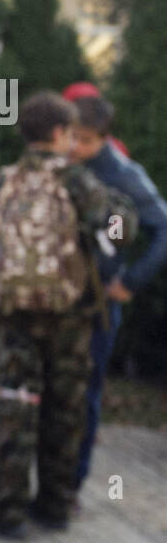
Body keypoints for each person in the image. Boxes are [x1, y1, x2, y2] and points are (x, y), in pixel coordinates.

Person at [0, 92, 134, 538]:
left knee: (16, 404)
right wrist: (121, 218)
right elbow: (117, 232)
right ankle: (52, 505)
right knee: (64, 411)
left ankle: (4, 510)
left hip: (13, 314)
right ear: (57, 134)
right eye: (70, 133)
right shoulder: (79, 182)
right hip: (69, 315)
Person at [65, 91, 165, 501]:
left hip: (98, 307)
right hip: (57, 302)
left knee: (86, 396)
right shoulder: (66, 165)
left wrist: (132, 280)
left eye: (84, 140)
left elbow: (163, 227)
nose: (75, 147)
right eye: (71, 136)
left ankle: (72, 485)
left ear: (103, 139)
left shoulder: (124, 175)